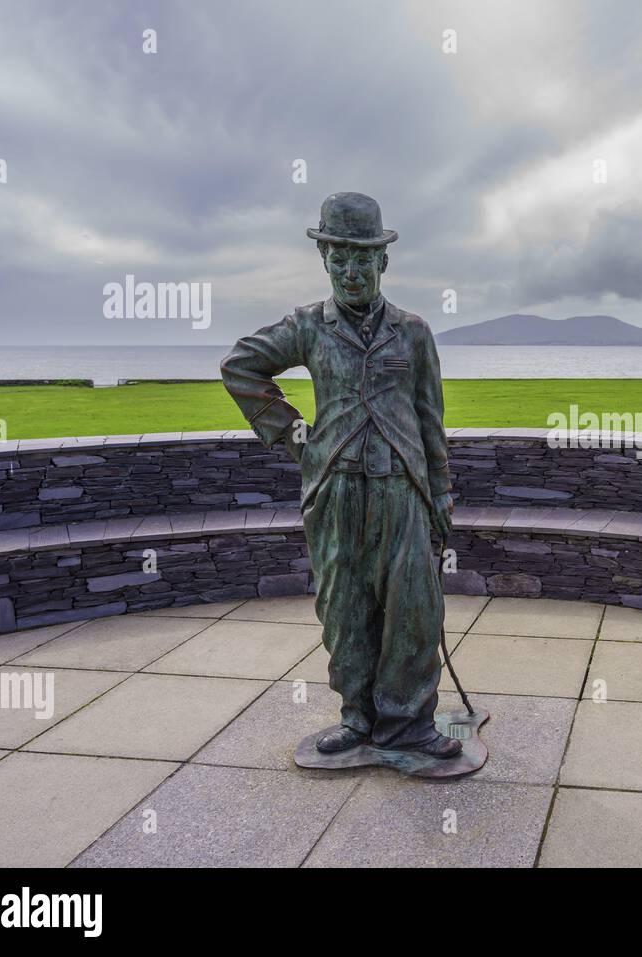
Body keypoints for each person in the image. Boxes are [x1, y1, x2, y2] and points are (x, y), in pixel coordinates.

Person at [220, 192, 459, 759]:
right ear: (324, 259)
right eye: (339, 259)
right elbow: (240, 366)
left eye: (362, 259)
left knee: (414, 609)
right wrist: (292, 433)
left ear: (383, 262)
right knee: (343, 608)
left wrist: (442, 493)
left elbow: (430, 420)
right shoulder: (307, 326)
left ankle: (408, 724)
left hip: (402, 490)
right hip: (336, 490)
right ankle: (358, 717)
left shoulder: (413, 333)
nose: (351, 272)